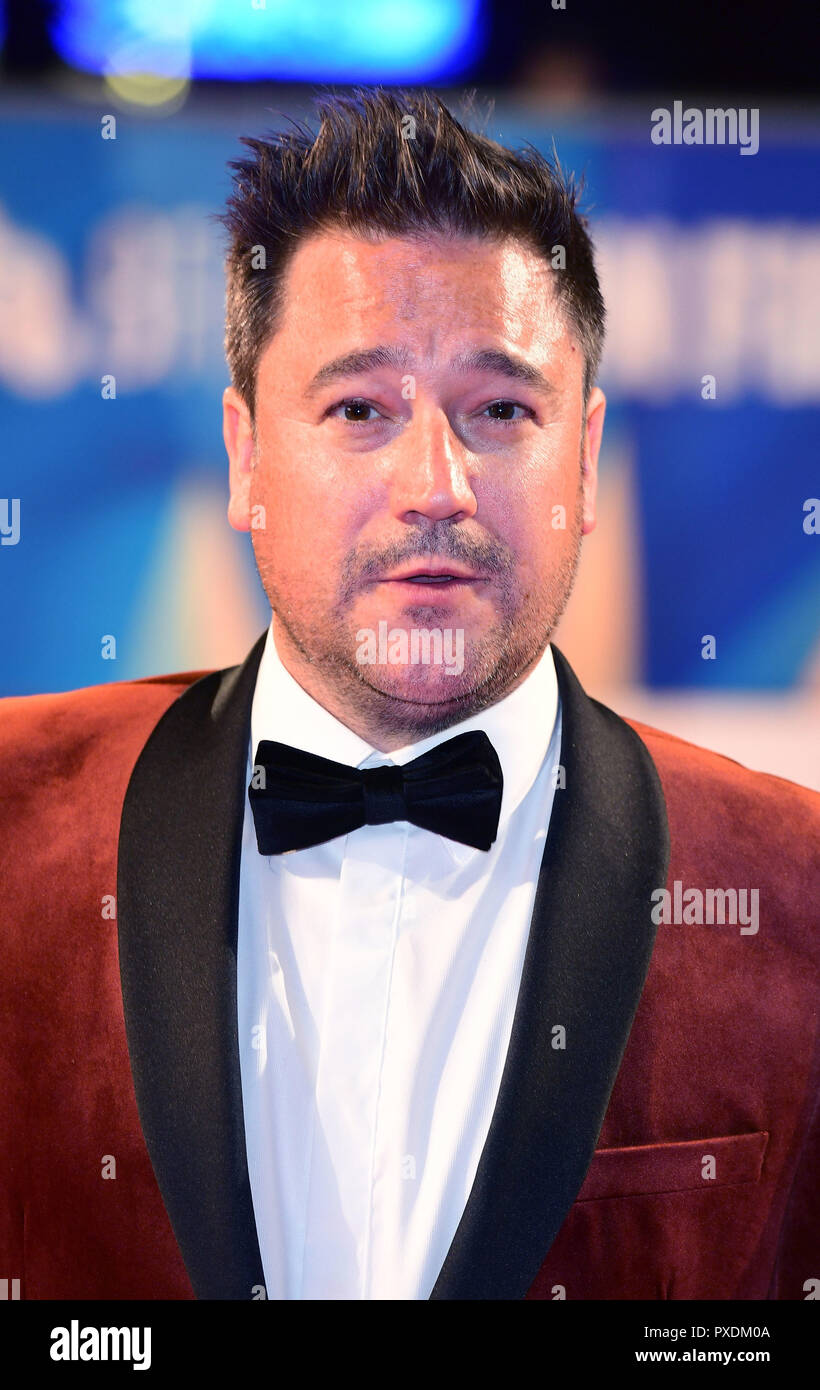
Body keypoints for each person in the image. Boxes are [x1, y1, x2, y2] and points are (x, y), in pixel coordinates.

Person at [1, 88, 817, 1302]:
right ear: (245, 457)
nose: (434, 483)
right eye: (358, 409)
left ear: (584, 459)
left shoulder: (792, 890)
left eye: (499, 409)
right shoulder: (12, 826)